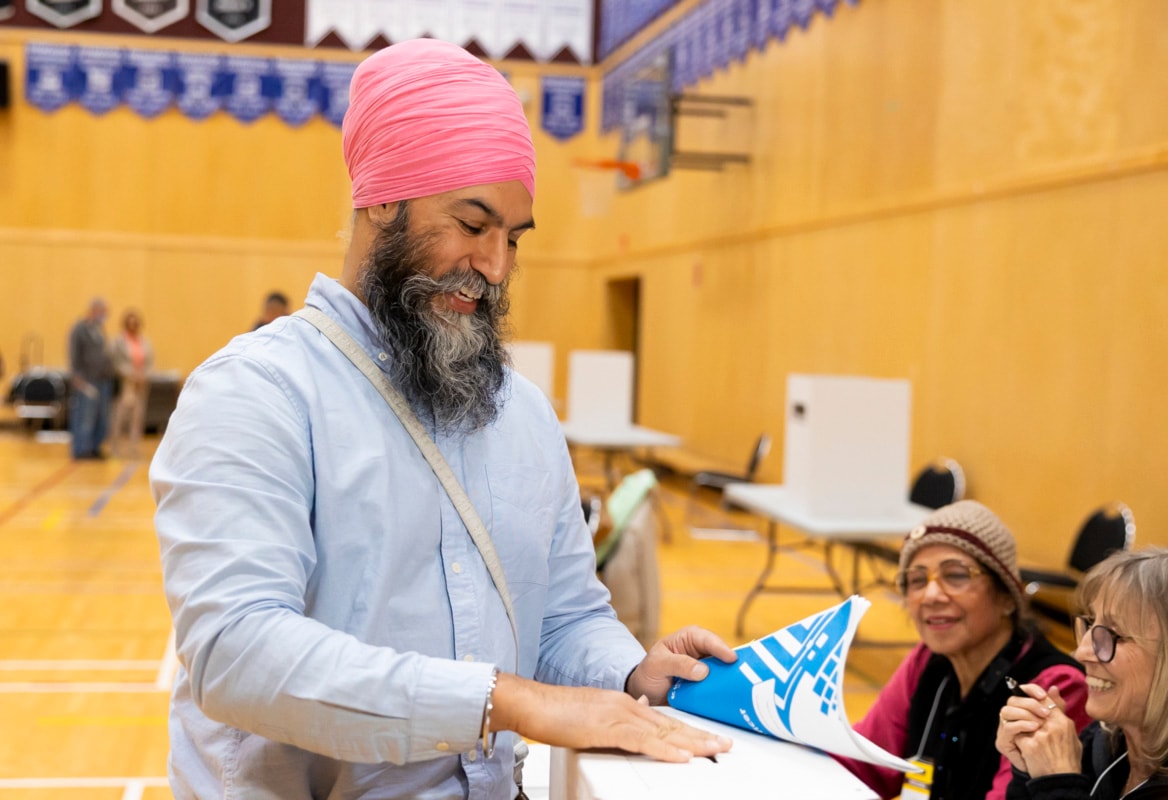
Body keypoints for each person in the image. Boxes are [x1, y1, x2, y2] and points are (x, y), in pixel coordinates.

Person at [150, 38, 734, 800]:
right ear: (383, 200)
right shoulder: (255, 393)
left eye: (513, 237)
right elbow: (238, 654)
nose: (495, 265)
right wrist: (506, 700)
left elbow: (562, 616)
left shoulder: (519, 413)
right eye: (472, 222)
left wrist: (629, 671)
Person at [835, 500, 1090, 800]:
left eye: (956, 575)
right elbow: (864, 761)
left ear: (1009, 596)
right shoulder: (927, 660)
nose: (930, 595)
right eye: (916, 580)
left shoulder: (1053, 686)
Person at [998, 547, 1168, 799]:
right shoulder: (1101, 746)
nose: (1081, 653)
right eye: (1090, 624)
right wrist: (1029, 770)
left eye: (1113, 634)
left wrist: (1058, 783)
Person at [67, 297, 114, 460]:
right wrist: (77, 377)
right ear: (94, 310)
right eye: (103, 311)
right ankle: (81, 449)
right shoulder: (79, 328)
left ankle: (95, 447)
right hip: (87, 380)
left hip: (103, 380)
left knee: (100, 417)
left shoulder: (99, 329)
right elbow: (74, 355)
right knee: (84, 416)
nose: (105, 315)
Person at [109, 308, 154, 459]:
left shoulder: (144, 342)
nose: (133, 326)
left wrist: (144, 375)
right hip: (125, 384)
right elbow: (116, 362)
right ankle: (115, 445)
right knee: (120, 415)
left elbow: (150, 362)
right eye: (130, 324)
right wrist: (131, 374)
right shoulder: (118, 342)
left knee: (137, 416)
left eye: (136, 324)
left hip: (141, 385)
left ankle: (134, 447)